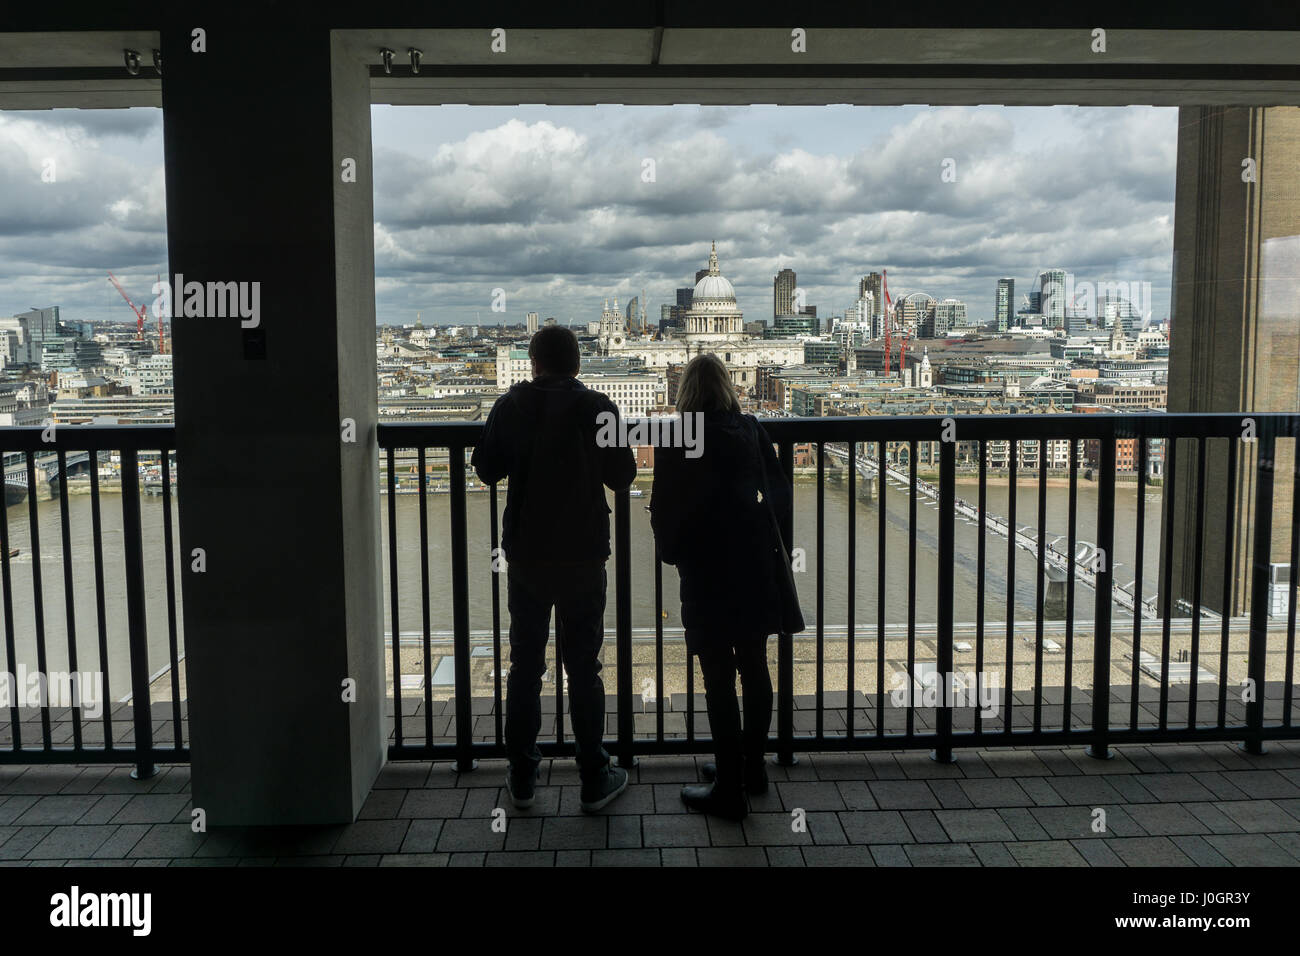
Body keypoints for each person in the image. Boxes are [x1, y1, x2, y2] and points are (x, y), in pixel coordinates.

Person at [471, 326, 637, 812]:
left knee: (525, 666)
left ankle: (522, 776)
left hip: (525, 553)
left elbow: (485, 468)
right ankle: (593, 775)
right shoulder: (598, 406)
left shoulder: (512, 404)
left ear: (534, 363)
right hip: (584, 551)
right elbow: (624, 475)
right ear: (578, 364)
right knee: (584, 666)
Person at [650, 353, 805, 821]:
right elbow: (780, 494)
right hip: (754, 563)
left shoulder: (678, 438)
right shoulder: (753, 430)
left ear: (685, 393)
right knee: (755, 666)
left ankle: (729, 789)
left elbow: (665, 507)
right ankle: (751, 769)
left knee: (718, 677)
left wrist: (673, 551)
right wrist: (764, 534)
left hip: (707, 569)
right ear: (728, 387)